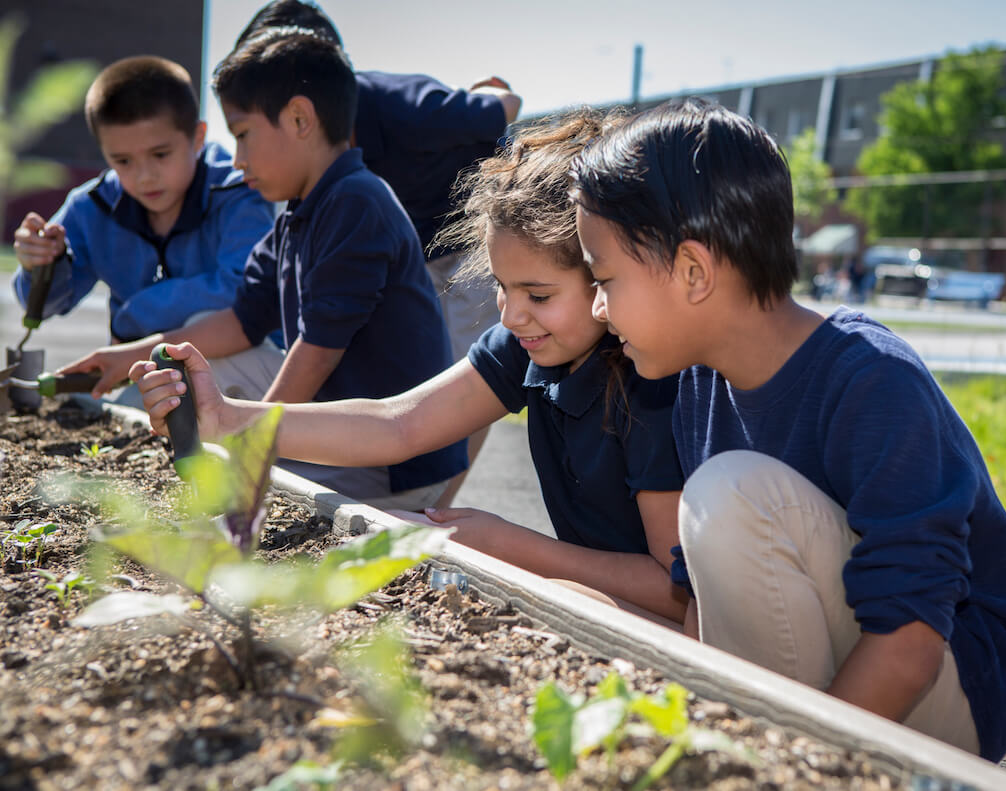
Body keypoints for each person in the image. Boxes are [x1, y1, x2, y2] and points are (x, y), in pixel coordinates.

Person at [569, 98, 1006, 761]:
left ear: (693, 271)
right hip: (860, 660)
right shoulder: (698, 387)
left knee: (728, 494)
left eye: (605, 279)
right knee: (713, 511)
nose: (598, 306)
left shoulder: (873, 381)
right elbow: (707, 599)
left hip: (949, 685)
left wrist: (800, 771)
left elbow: (910, 640)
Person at [131, 109, 689, 625]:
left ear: (607, 272)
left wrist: (508, 544)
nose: (511, 314)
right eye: (501, 286)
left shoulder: (653, 384)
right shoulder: (526, 344)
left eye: (538, 295)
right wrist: (225, 416)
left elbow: (673, 590)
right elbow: (398, 424)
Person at [66, 30, 465, 511]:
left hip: (391, 462)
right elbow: (239, 322)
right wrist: (125, 355)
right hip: (342, 426)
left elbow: (315, 354)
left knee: (234, 486)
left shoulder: (355, 202)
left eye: (242, 135)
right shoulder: (300, 212)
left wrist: (250, 456)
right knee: (196, 343)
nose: (236, 160)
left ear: (299, 119)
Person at [235, 0, 522, 506]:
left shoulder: (398, 104)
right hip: (400, 246)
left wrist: (490, 91)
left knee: (466, 387)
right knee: (402, 379)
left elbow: (505, 105)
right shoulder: (314, 191)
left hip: (463, 246)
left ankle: (427, 508)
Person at [10, 56, 277, 401]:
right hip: (148, 373)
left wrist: (135, 316)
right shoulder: (91, 206)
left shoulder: (239, 191)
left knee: (202, 328)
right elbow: (42, 308)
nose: (144, 176)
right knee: (130, 411)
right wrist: (39, 263)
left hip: (253, 375)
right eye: (122, 161)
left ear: (197, 137)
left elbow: (243, 294)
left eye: (161, 154)